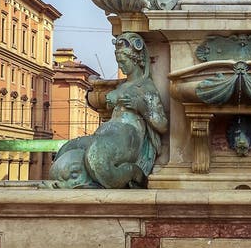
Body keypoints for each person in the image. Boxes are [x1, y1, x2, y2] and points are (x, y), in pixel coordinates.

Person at [49, 32, 168, 189]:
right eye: (118, 61)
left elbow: (162, 125)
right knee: (68, 148)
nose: (120, 66)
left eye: (123, 61)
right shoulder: (122, 86)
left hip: (127, 136)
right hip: (107, 132)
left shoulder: (146, 87)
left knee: (95, 155)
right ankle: (75, 181)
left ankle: (132, 173)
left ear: (136, 59)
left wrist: (140, 107)